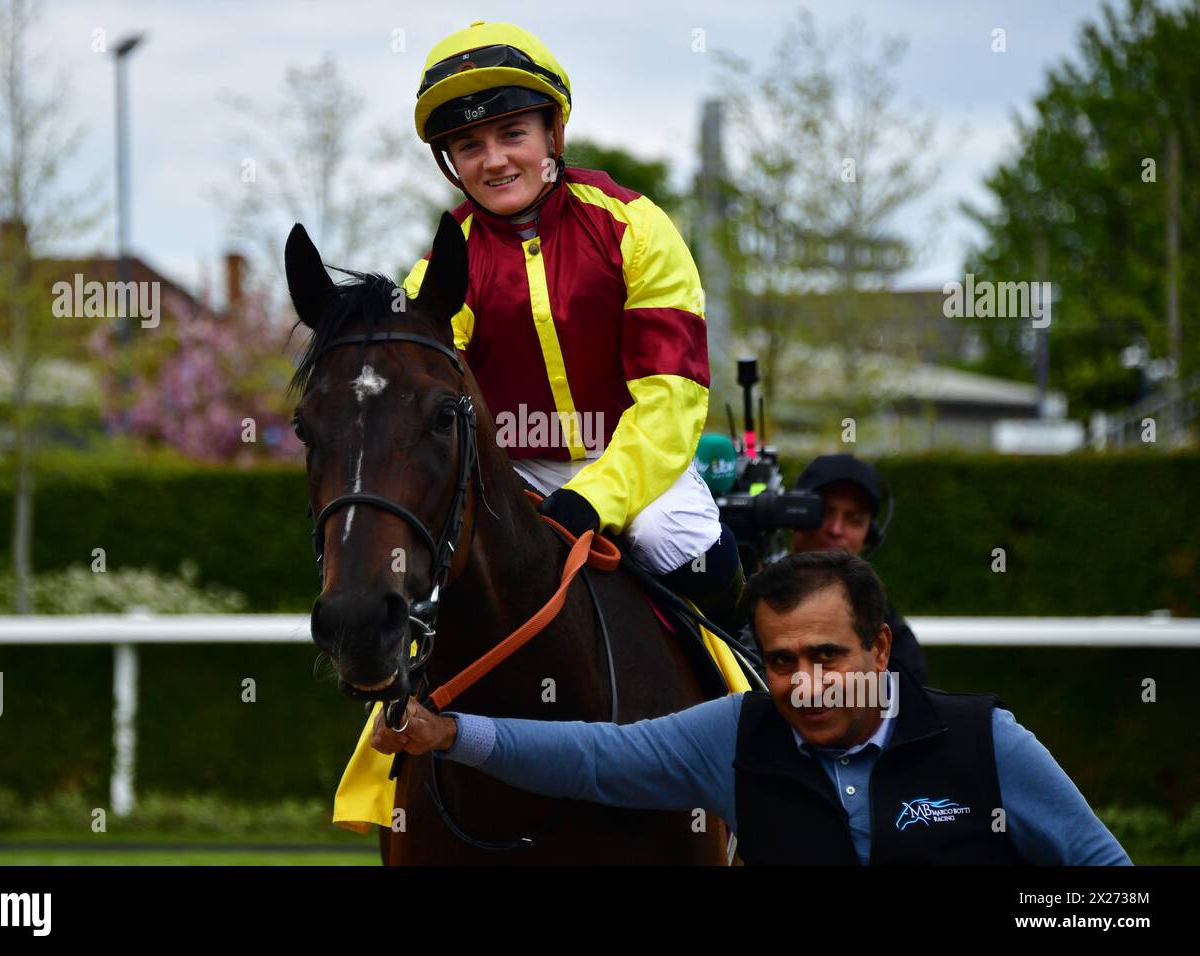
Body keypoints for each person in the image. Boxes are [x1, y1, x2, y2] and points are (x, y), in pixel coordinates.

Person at [371, 551, 1130, 865]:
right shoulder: (736, 737)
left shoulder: (986, 742)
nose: (803, 684)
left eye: (827, 656)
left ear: (881, 649)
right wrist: (450, 733)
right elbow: (595, 759)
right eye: (780, 661)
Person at [402, 20, 744, 634]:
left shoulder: (634, 226)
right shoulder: (440, 266)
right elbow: (418, 397)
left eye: (512, 134)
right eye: (470, 146)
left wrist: (597, 496)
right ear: (450, 162)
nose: (496, 160)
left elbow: (673, 396)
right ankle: (396, 724)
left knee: (683, 545)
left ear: (553, 132)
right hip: (511, 472)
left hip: (634, 455)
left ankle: (743, 689)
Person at [792, 453, 929, 684]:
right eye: (825, 512)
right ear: (792, 515)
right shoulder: (749, 595)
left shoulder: (889, 632)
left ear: (870, 536)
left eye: (853, 519)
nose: (836, 529)